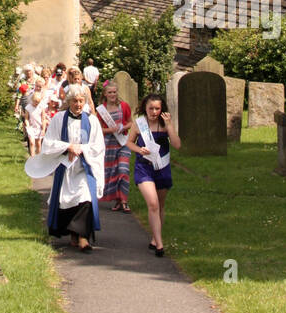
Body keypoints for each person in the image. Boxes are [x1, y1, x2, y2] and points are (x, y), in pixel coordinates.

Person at [29, 85, 105, 251]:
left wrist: (81, 149)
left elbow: (98, 146)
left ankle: (83, 238)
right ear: (68, 101)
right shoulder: (59, 118)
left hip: (84, 167)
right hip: (66, 168)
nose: (78, 104)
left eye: (81, 101)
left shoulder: (91, 120)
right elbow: (48, 143)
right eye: (75, 101)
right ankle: (73, 235)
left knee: (85, 197)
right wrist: (67, 146)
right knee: (67, 201)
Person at [126, 92, 181, 256]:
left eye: (157, 108)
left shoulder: (165, 124)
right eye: (151, 108)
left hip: (162, 168)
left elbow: (177, 145)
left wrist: (170, 125)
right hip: (144, 168)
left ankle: (154, 238)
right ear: (145, 108)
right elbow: (129, 142)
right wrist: (139, 149)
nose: (154, 112)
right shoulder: (138, 124)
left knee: (160, 206)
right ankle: (160, 245)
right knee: (153, 204)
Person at [97, 80, 132, 211]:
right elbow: (98, 129)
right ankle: (117, 200)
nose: (113, 94)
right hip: (108, 145)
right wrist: (110, 130)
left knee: (123, 170)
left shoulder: (124, 106)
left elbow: (131, 123)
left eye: (114, 92)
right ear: (105, 94)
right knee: (112, 171)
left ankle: (124, 200)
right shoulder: (101, 110)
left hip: (122, 143)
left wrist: (123, 127)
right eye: (110, 92)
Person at [24, 88, 47, 156]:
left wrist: (43, 129)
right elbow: (26, 118)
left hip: (39, 127)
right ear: (32, 100)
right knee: (31, 142)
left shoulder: (41, 107)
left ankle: (38, 158)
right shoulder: (28, 107)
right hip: (31, 127)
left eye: (38, 102)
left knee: (38, 143)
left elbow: (43, 118)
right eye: (35, 102)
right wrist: (27, 125)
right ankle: (32, 157)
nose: (36, 104)